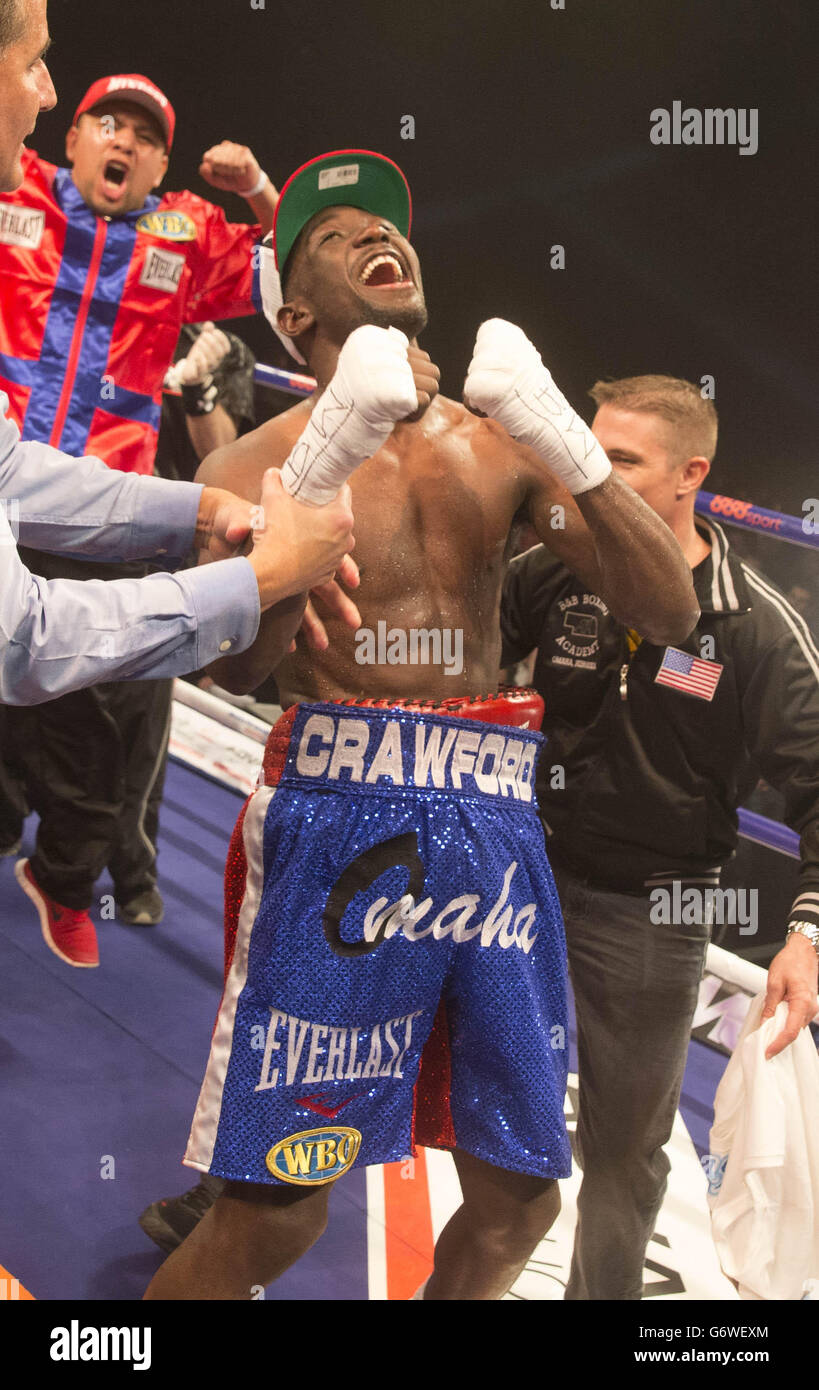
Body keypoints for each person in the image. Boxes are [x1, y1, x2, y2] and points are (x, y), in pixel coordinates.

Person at [140, 149, 699, 1300]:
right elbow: (241, 660)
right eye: (338, 234)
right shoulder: (258, 459)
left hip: (493, 820)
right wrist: (325, 460)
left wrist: (566, 438)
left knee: (518, 1201)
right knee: (281, 1207)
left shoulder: (499, 442)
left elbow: (669, 609)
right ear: (294, 310)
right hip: (343, 814)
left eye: (385, 225)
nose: (376, 238)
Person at [0, 1, 358, 960]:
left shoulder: (185, 234)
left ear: (162, 165)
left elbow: (300, 286)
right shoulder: (13, 187)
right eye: (106, 121)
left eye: (146, 135)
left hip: (109, 511)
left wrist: (263, 196)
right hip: (13, 485)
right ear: (71, 135)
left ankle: (71, 875)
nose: (123, 142)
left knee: (104, 733)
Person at [500, 374, 819, 1299]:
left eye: (620, 461)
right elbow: (462, 654)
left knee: (626, 1149)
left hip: (654, 907)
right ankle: (249, 1209)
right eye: (586, 450)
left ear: (692, 475)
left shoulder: (753, 627)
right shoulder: (556, 568)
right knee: (422, 1065)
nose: (587, 474)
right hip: (516, 868)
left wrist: (806, 933)